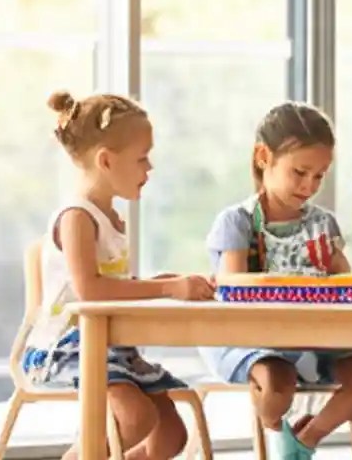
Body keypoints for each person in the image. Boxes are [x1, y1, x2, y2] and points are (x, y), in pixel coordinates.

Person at [21, 91, 214, 460]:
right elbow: (91, 291)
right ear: (106, 161)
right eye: (142, 158)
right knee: (136, 417)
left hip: (109, 346)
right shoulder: (77, 217)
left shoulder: (111, 218)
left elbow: (112, 286)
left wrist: (165, 283)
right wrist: (168, 287)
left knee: (171, 434)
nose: (150, 168)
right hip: (65, 348)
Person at [200, 102, 352, 459]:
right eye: (300, 172)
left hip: (316, 335)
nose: (309, 185)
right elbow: (234, 289)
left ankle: (303, 442)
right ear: (263, 156)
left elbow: (342, 282)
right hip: (249, 336)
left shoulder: (323, 225)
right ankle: (276, 433)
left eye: (319, 175)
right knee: (277, 385)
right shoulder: (237, 222)